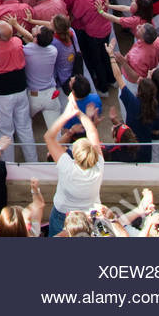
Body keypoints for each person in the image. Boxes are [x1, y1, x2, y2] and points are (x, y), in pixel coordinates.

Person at [44, 93, 104, 236]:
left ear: (75, 155)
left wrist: (68, 114)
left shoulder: (67, 166)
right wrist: (80, 114)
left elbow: (48, 137)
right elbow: (92, 131)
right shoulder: (98, 166)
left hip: (63, 216)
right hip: (90, 217)